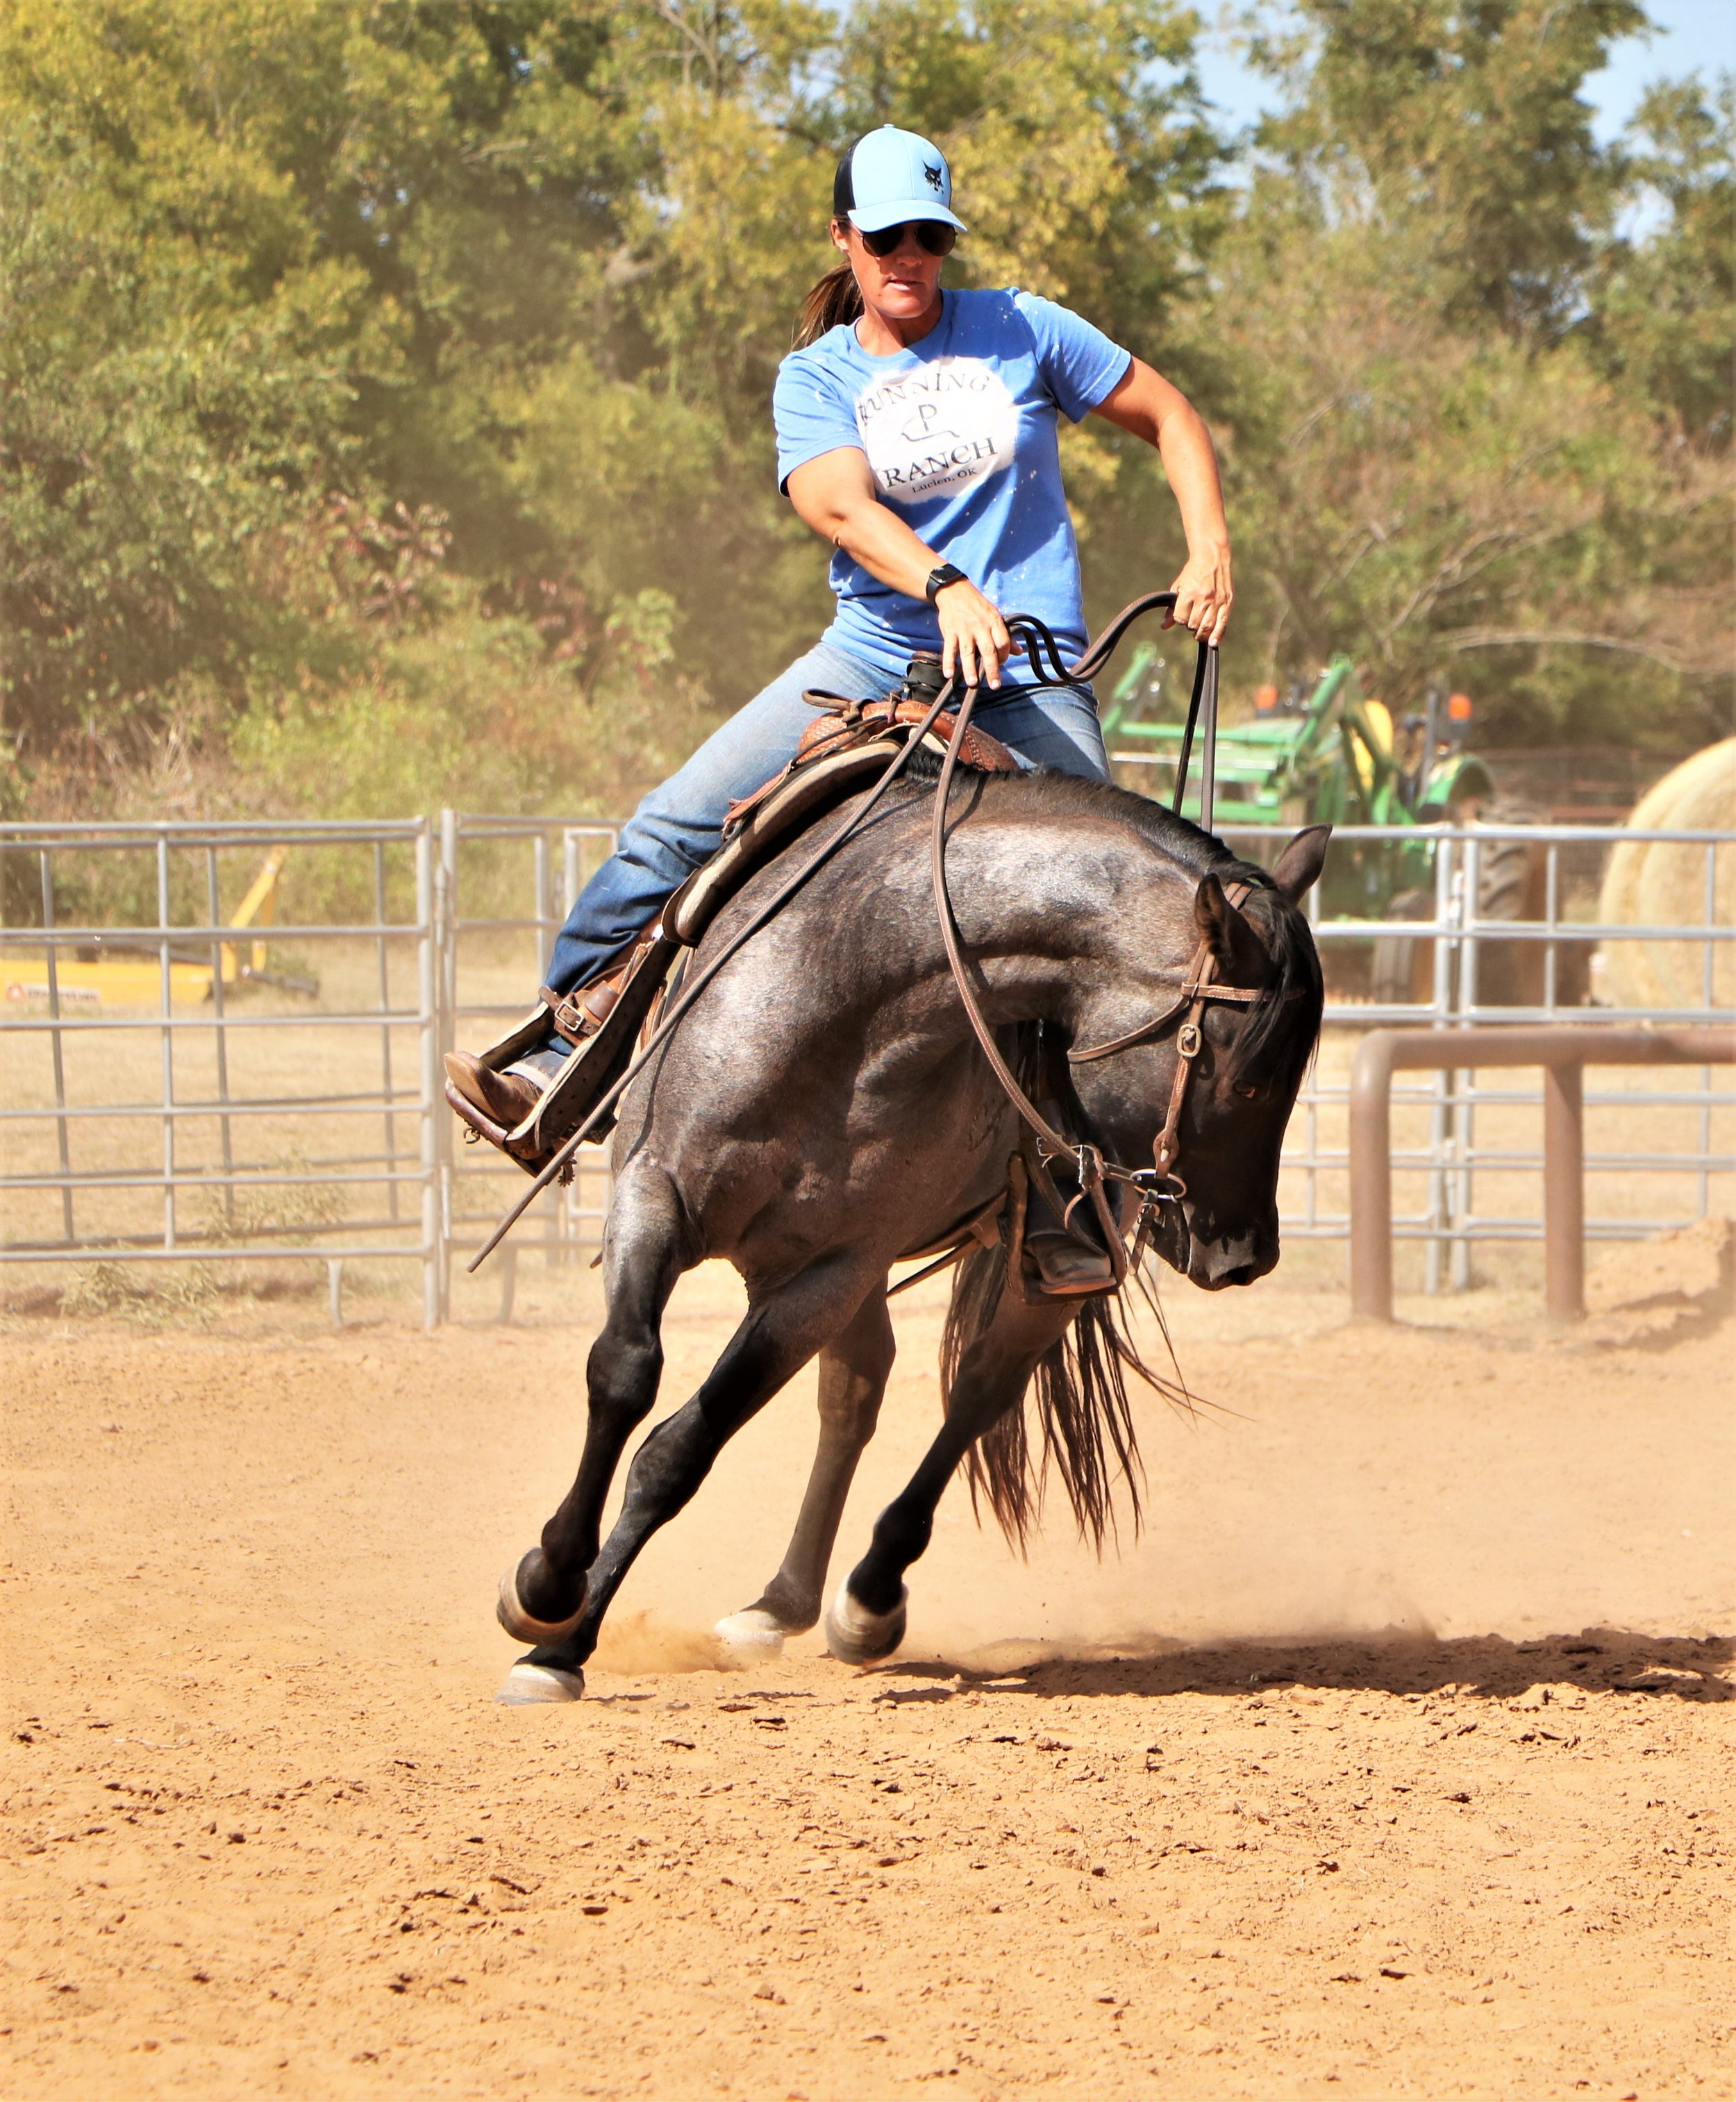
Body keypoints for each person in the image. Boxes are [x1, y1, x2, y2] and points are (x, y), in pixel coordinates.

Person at [446, 123, 1233, 1192]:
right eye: (887, 236)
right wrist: (944, 585)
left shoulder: (1023, 328)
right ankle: (559, 1063)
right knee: (671, 826)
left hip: (1030, 679)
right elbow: (839, 506)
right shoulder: (816, 377)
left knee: (1113, 904)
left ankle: (1077, 1198)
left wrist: (1209, 545)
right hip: (873, 659)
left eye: (930, 237)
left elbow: (1170, 415)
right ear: (844, 238)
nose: (910, 256)